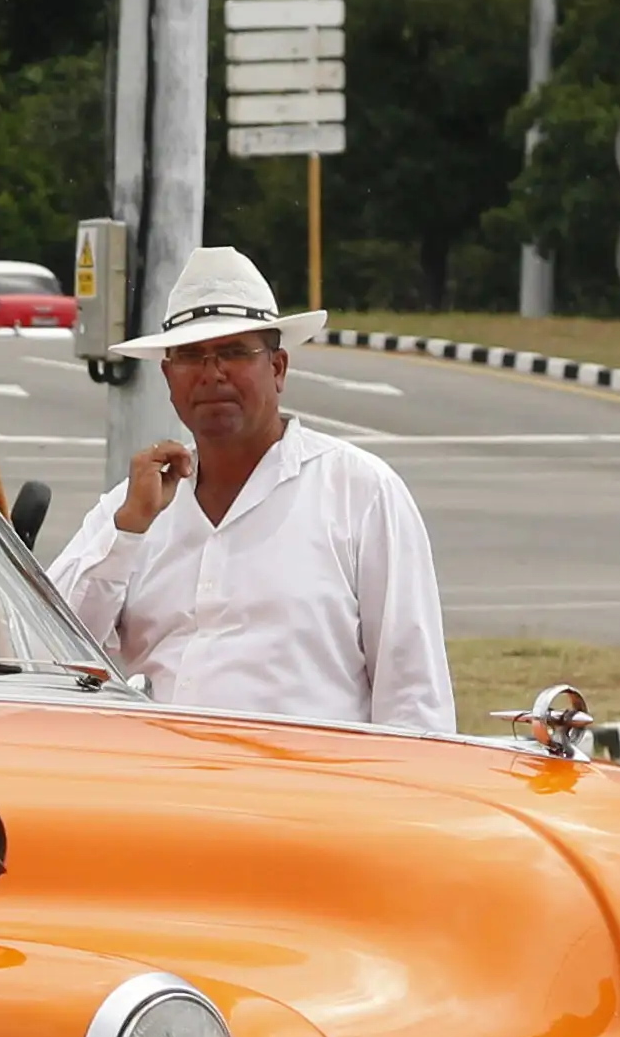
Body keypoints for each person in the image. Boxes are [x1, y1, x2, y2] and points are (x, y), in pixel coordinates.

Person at [44, 246, 456, 735]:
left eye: (236, 353)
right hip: (160, 792)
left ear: (278, 368)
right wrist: (126, 533)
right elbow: (49, 655)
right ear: (168, 375)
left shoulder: (359, 492)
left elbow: (413, 693)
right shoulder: (133, 507)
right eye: (192, 356)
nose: (212, 373)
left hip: (306, 796)